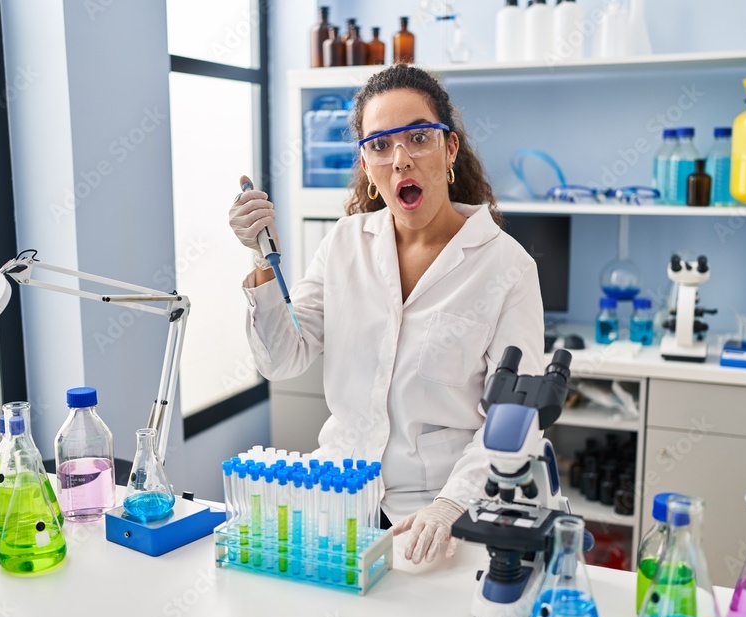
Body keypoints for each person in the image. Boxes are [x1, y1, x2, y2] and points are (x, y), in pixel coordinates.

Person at [228, 64, 545, 565]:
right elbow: (282, 359)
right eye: (379, 145)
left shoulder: (506, 267)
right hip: (338, 505)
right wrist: (260, 260)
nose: (400, 160)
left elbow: (514, 420)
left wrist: (449, 506)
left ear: (450, 150)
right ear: (367, 166)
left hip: (438, 521)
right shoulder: (344, 245)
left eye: (418, 137)